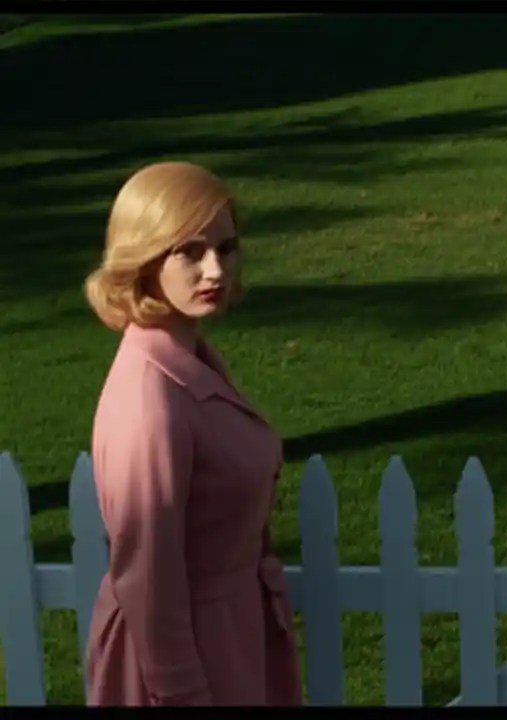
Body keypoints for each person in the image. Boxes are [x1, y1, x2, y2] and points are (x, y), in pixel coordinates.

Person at [82, 161, 303, 706]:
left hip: (231, 638)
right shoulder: (148, 399)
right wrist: (182, 693)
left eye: (226, 249)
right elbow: (148, 580)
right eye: (189, 251)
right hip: (188, 662)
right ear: (144, 257)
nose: (214, 271)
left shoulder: (189, 360)